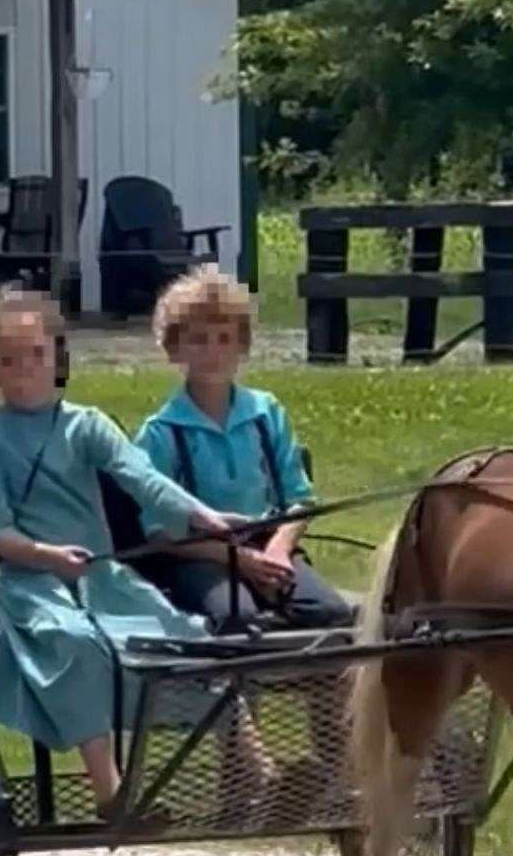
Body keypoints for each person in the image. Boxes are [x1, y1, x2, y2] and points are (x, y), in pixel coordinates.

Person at [0, 284, 233, 818]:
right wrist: (47, 556)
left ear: (57, 359)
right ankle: (111, 792)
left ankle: (249, 772)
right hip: (30, 583)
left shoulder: (85, 424)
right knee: (78, 641)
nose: (24, 371)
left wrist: (204, 517)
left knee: (185, 638)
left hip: (102, 579)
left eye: (36, 356)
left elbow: (142, 478)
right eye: (9, 362)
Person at [133, 266, 354, 634]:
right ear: (174, 348)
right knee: (239, 619)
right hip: (200, 556)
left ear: (242, 346)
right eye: (199, 340)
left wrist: (278, 551)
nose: (213, 352)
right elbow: (159, 533)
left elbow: (299, 498)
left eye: (224, 339)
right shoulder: (161, 433)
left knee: (330, 615)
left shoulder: (266, 414)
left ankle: (310, 687)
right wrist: (239, 560)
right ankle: (225, 691)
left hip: (269, 545)